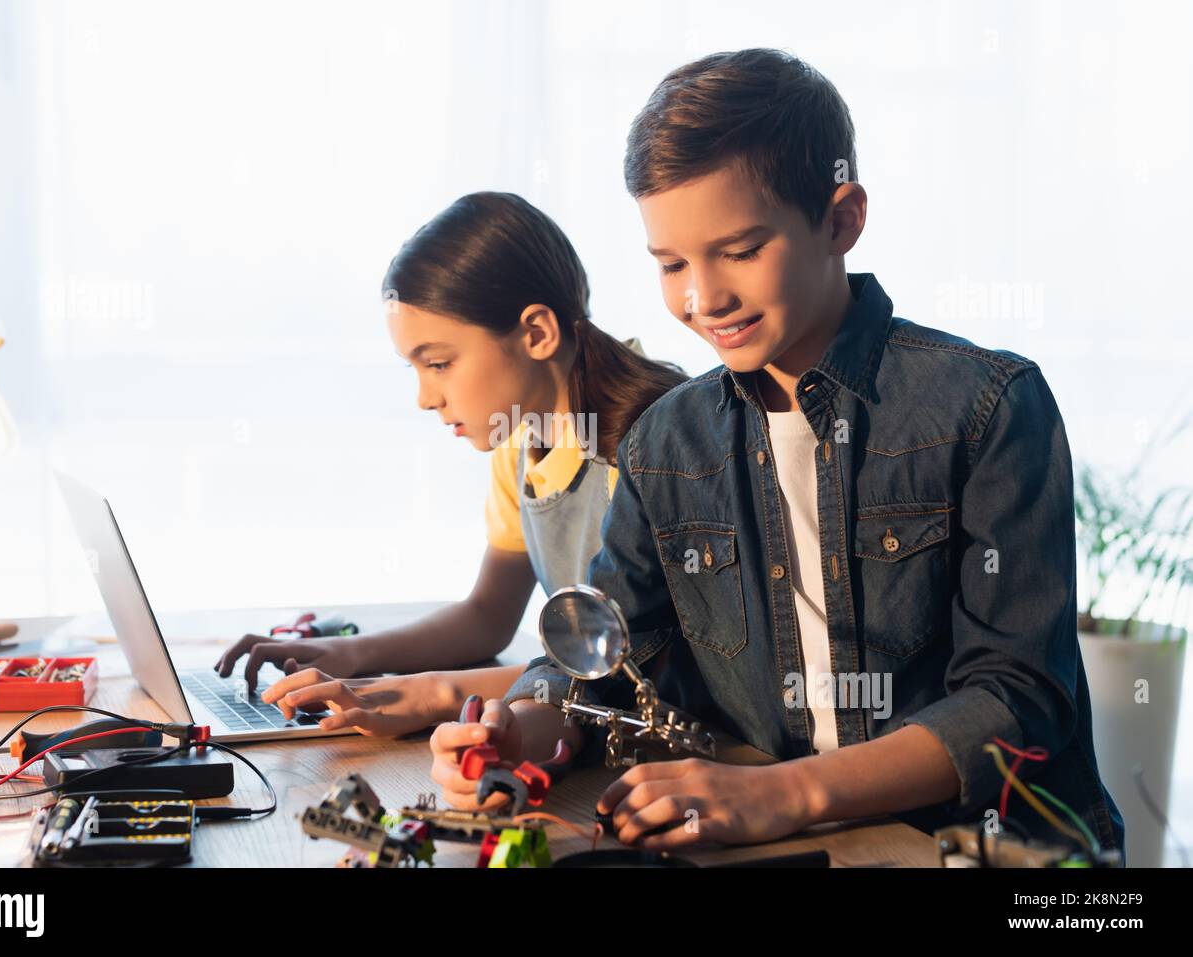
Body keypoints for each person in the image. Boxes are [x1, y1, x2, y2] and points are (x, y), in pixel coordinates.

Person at [429, 49, 1124, 863]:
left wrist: (780, 793)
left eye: (740, 249)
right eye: (671, 264)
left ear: (841, 220)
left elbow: (1016, 704)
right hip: (802, 840)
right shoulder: (667, 442)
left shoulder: (989, 406)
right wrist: (520, 724)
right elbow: (601, 653)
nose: (703, 297)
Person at [214, 191, 685, 737]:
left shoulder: (653, 443)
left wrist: (431, 693)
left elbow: (641, 671)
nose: (425, 397)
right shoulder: (522, 436)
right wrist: (344, 653)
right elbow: (488, 616)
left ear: (536, 333)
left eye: (439, 363)